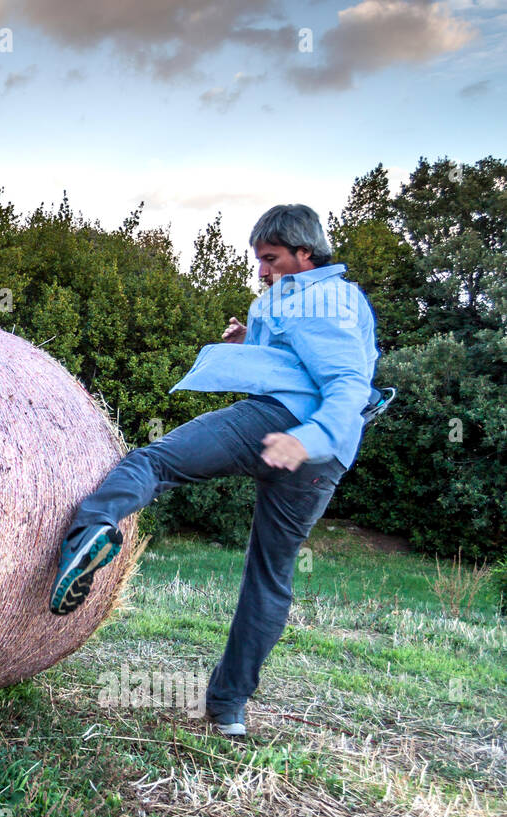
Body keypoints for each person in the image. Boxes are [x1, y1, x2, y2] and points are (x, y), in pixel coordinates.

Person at [48, 203, 380, 738]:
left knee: (155, 461)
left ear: (305, 251)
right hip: (328, 458)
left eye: (271, 259)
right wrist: (249, 346)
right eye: (259, 261)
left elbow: (346, 385)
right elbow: (309, 360)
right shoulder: (316, 299)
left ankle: (89, 533)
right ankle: (227, 709)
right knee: (269, 576)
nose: (263, 271)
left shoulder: (326, 297)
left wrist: (305, 438)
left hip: (286, 427)